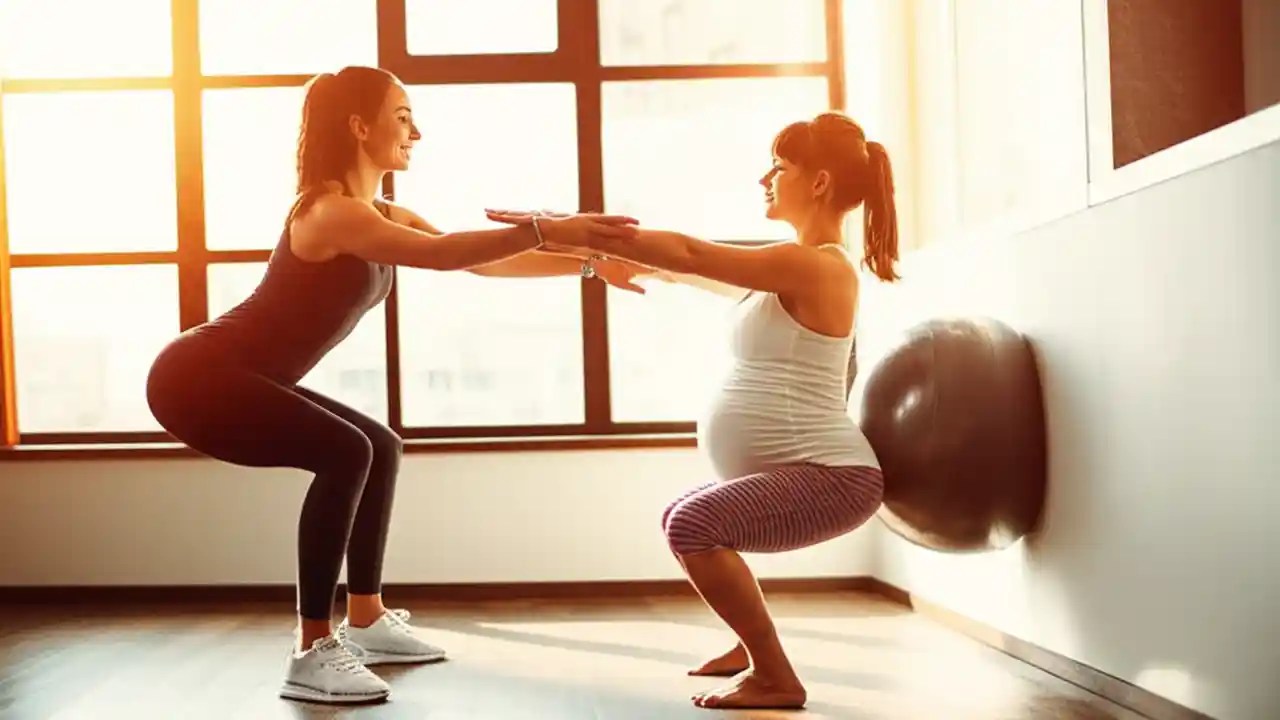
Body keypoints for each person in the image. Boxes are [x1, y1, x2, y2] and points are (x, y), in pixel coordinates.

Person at [145, 65, 645, 706]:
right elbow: (443, 254)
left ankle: (368, 618)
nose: (418, 131)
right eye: (403, 115)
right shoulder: (328, 214)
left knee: (378, 443)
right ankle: (311, 649)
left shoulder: (377, 212)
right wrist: (551, 226)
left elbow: (478, 259)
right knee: (346, 450)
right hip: (197, 379)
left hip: (243, 376)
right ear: (359, 125)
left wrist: (588, 261)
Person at [486, 110, 900, 710]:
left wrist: (553, 225)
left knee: (693, 526)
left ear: (818, 183)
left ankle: (776, 676)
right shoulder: (786, 267)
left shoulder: (814, 265)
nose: (765, 178)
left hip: (834, 479)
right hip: (817, 472)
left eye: (779, 167)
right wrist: (579, 245)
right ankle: (746, 645)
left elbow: (686, 251)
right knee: (684, 514)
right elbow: (676, 266)